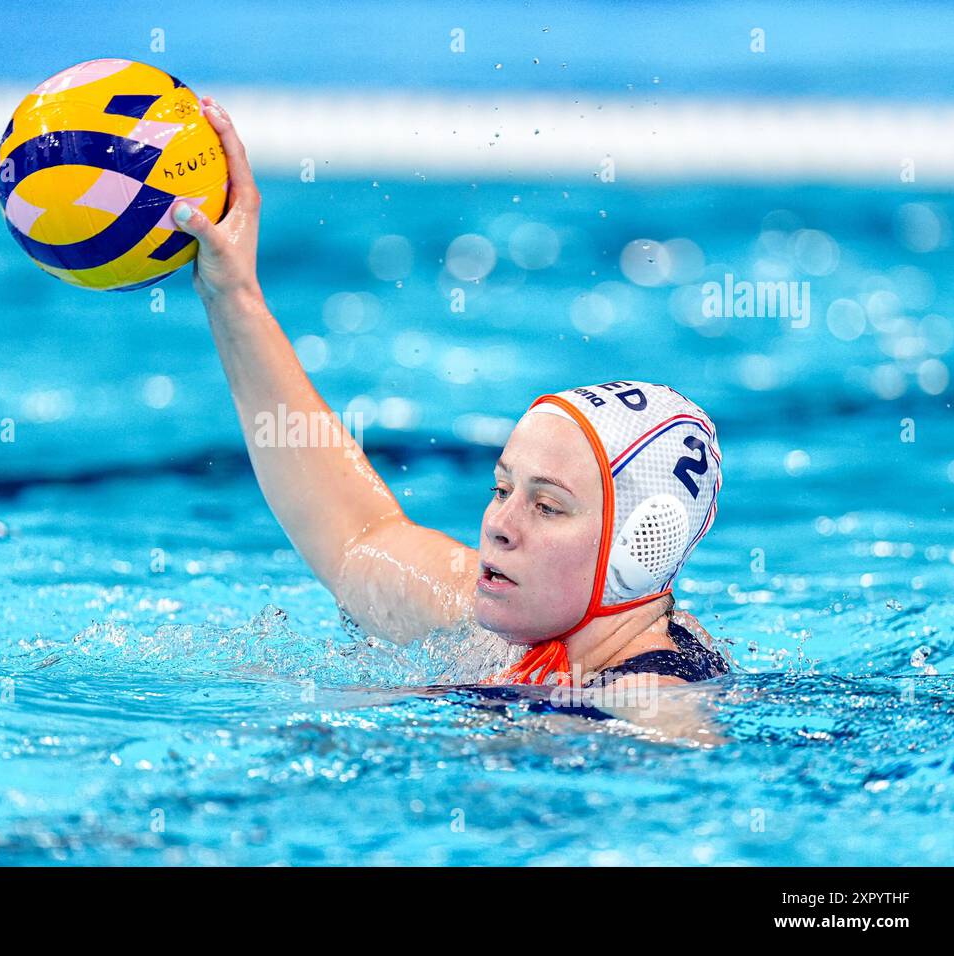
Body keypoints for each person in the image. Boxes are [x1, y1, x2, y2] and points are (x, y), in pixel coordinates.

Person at [169, 97, 729, 691]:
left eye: (547, 506)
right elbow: (357, 537)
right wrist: (232, 293)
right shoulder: (516, 620)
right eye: (503, 487)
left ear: (638, 550)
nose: (498, 525)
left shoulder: (655, 707)